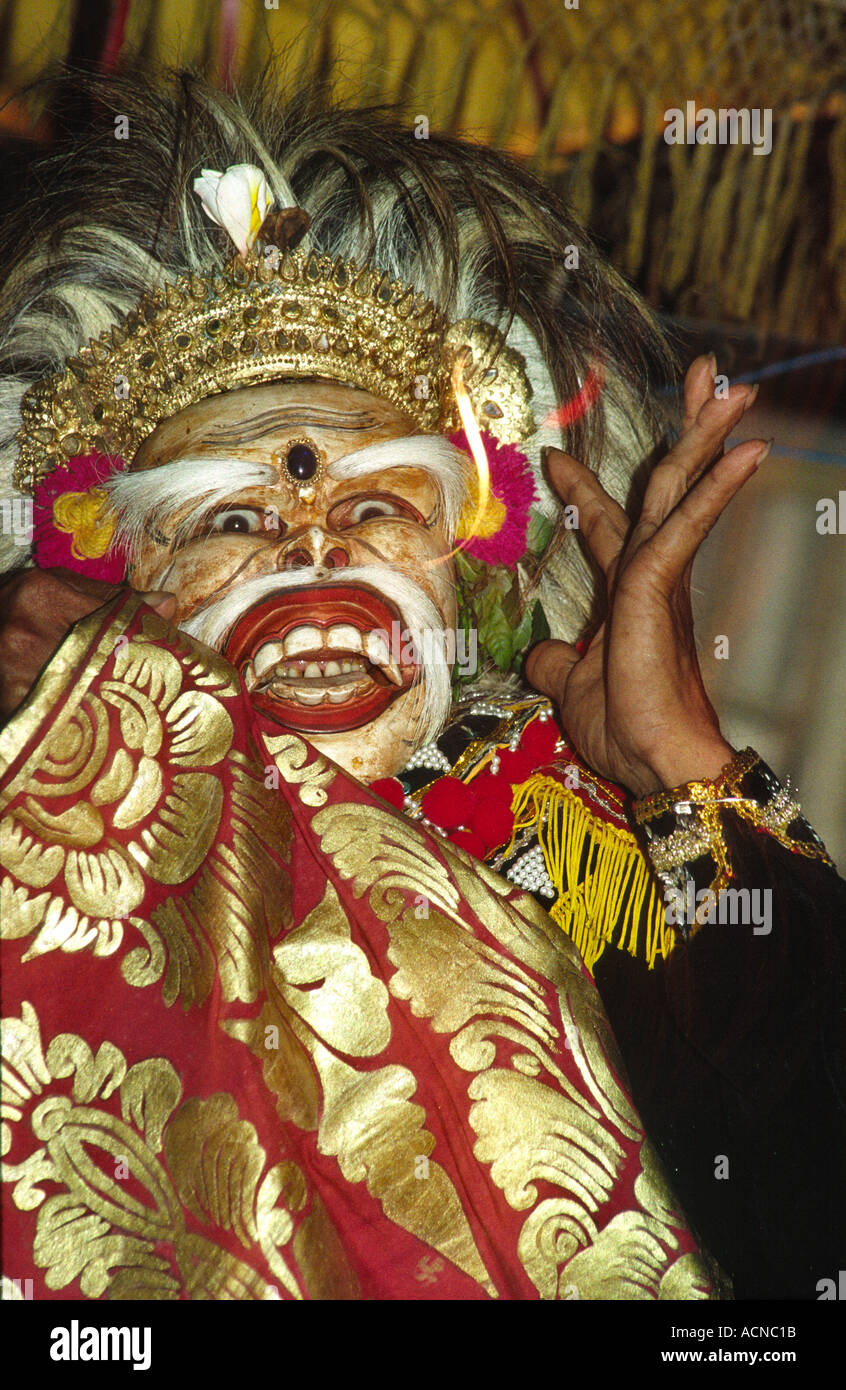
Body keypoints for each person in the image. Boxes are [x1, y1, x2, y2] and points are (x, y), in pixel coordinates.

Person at [0, 69, 842, 1302]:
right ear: (98, 581)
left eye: (377, 505)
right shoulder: (37, 807)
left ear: (474, 572)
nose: (312, 552)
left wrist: (682, 771)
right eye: (232, 516)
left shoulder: (576, 847)